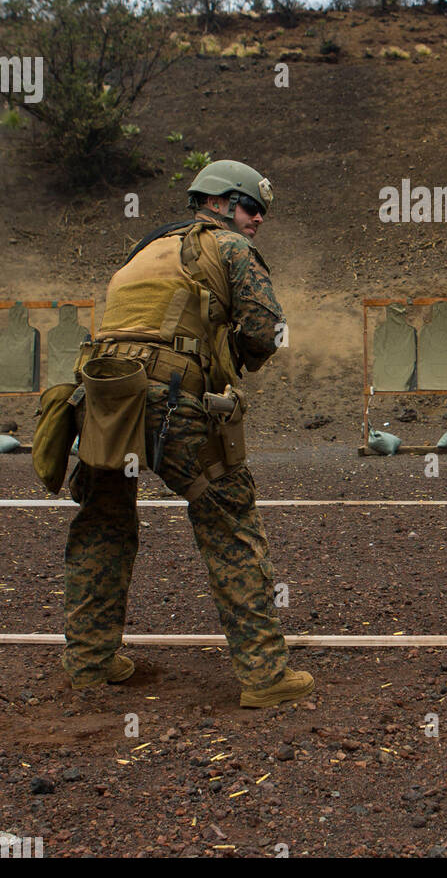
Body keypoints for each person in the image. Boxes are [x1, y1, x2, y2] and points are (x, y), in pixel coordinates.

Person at [62, 159, 314, 708]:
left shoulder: (143, 251)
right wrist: (234, 361)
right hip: (171, 402)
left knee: (102, 523)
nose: (258, 219)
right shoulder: (229, 249)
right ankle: (264, 676)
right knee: (229, 520)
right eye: (251, 207)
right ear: (222, 204)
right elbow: (266, 329)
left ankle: (90, 660)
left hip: (104, 398)